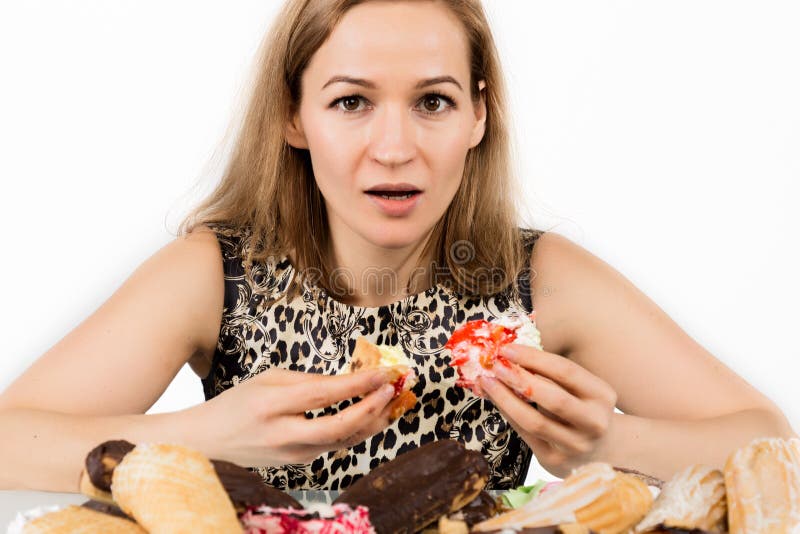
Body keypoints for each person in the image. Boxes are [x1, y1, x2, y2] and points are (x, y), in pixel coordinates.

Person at [0, 0, 794, 493]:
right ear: (293, 117)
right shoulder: (219, 273)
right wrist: (207, 434)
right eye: (350, 102)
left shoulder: (538, 279)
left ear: (478, 117)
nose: (394, 148)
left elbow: (767, 442)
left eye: (433, 102)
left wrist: (606, 442)